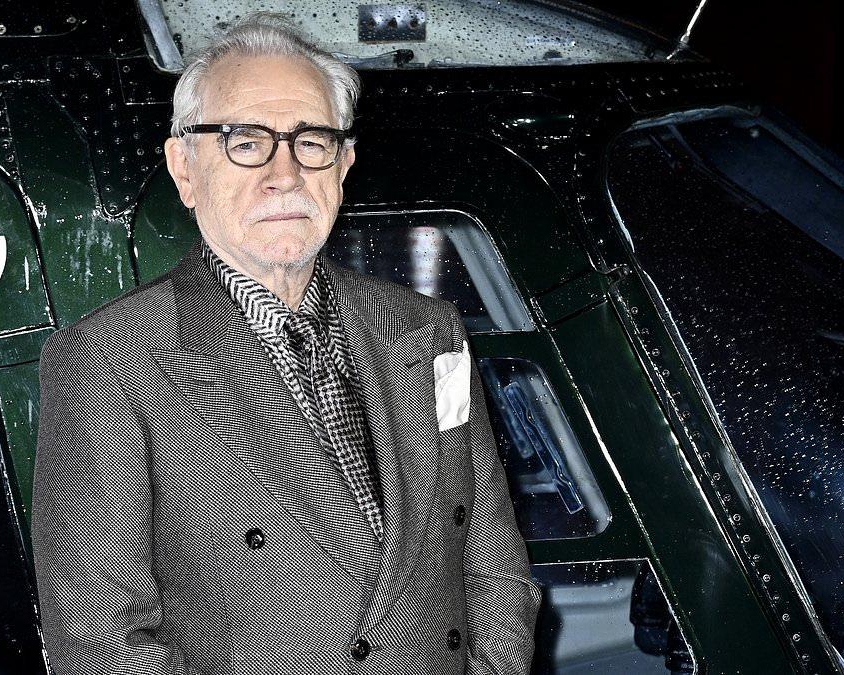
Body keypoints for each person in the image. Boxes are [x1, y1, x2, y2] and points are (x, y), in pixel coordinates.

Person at [32, 13, 540, 675]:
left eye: (311, 141)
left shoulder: (428, 329)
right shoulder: (109, 359)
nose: (284, 173)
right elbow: (99, 644)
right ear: (184, 168)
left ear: (344, 162)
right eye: (246, 141)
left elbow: (489, 555)